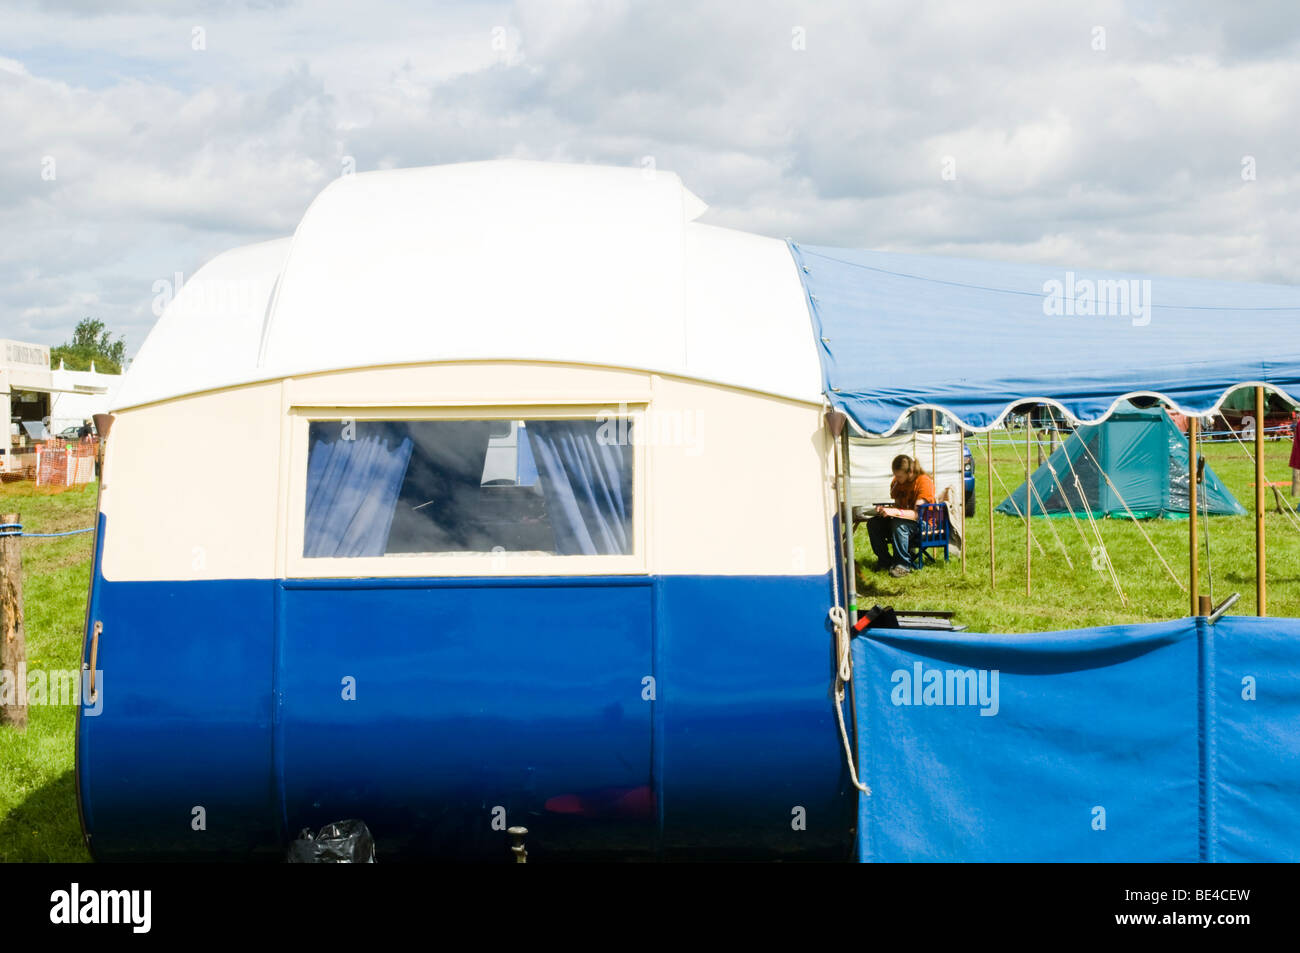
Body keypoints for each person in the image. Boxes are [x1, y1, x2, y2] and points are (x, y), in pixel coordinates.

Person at [866, 454, 937, 577]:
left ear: (910, 472)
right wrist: (885, 510)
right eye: (895, 475)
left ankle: (902, 565)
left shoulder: (923, 482)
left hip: (924, 525)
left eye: (899, 476)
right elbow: (898, 505)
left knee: (899, 524)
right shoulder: (897, 483)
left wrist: (896, 512)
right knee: (873, 523)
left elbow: (917, 514)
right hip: (902, 520)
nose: (896, 478)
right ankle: (885, 561)